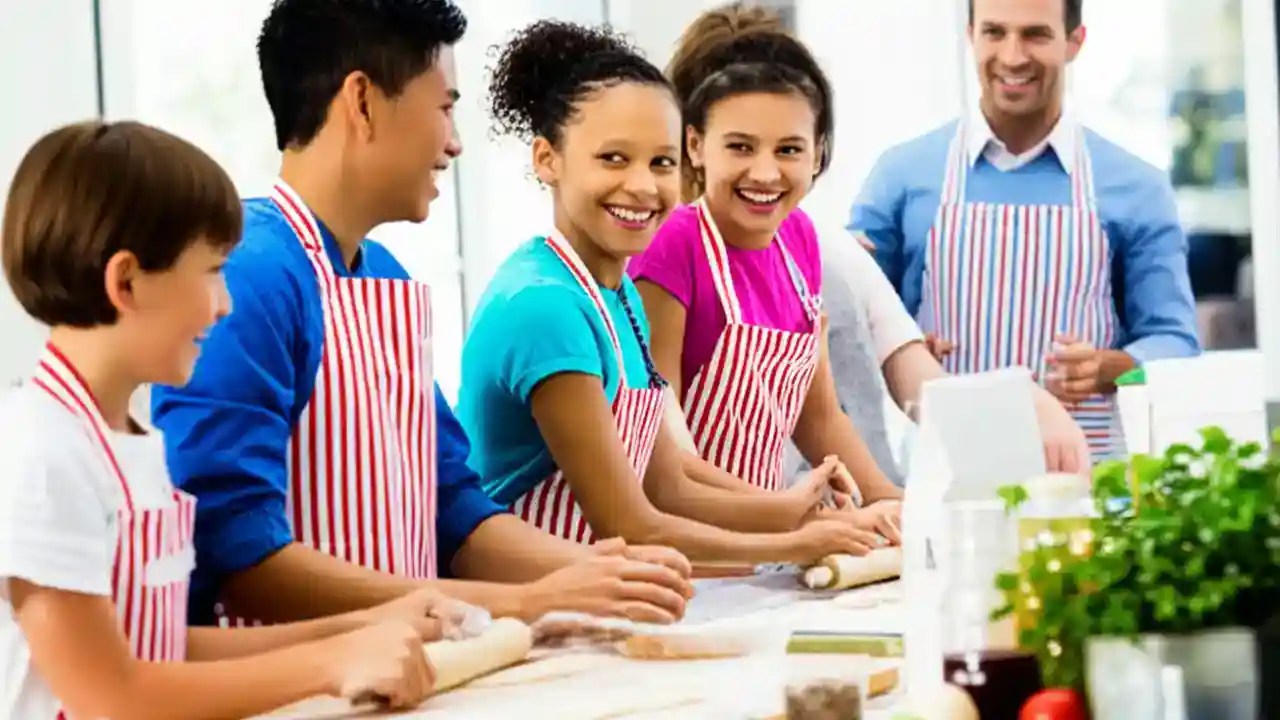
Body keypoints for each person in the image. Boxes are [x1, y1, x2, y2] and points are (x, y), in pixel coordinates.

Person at [150, 0, 691, 631]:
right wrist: (524, 602)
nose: (454, 142)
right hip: (295, 676)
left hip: (401, 662)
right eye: (444, 108)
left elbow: (453, 509)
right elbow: (235, 551)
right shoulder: (249, 274)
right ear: (362, 102)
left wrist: (598, 573)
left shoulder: (383, 274)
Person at [0, 120, 455, 719]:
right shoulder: (42, 453)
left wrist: (366, 625)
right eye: (213, 271)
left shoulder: (129, 442)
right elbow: (114, 695)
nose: (226, 304)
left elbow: (166, 651)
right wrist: (328, 664)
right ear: (126, 281)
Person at [457, 20, 884, 561]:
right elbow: (632, 524)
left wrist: (799, 509)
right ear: (547, 159)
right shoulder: (544, 305)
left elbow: (667, 485)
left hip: (614, 585)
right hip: (531, 593)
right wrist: (795, 538)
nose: (642, 185)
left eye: (660, 162)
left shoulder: (617, 296)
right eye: (613, 158)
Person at [851, 0, 1200, 460]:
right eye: (995, 32)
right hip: (948, 469)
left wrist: (1108, 368)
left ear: (1074, 42)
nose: (1013, 57)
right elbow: (850, 324)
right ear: (971, 36)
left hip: (1088, 474)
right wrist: (908, 350)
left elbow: (1177, 345)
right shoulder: (902, 174)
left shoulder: (1137, 186)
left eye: (1035, 34)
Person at [628, 4, 902, 529]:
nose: (765, 173)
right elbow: (661, 448)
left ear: (818, 154)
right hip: (687, 542)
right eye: (740, 147)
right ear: (695, 145)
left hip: (766, 543)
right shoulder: (671, 245)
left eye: (789, 150)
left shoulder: (799, 240)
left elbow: (818, 417)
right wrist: (789, 519)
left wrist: (891, 501)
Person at [783, 222, 1091, 485]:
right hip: (779, 519)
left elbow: (919, 384)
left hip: (850, 508)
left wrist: (1023, 402)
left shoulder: (833, 249)